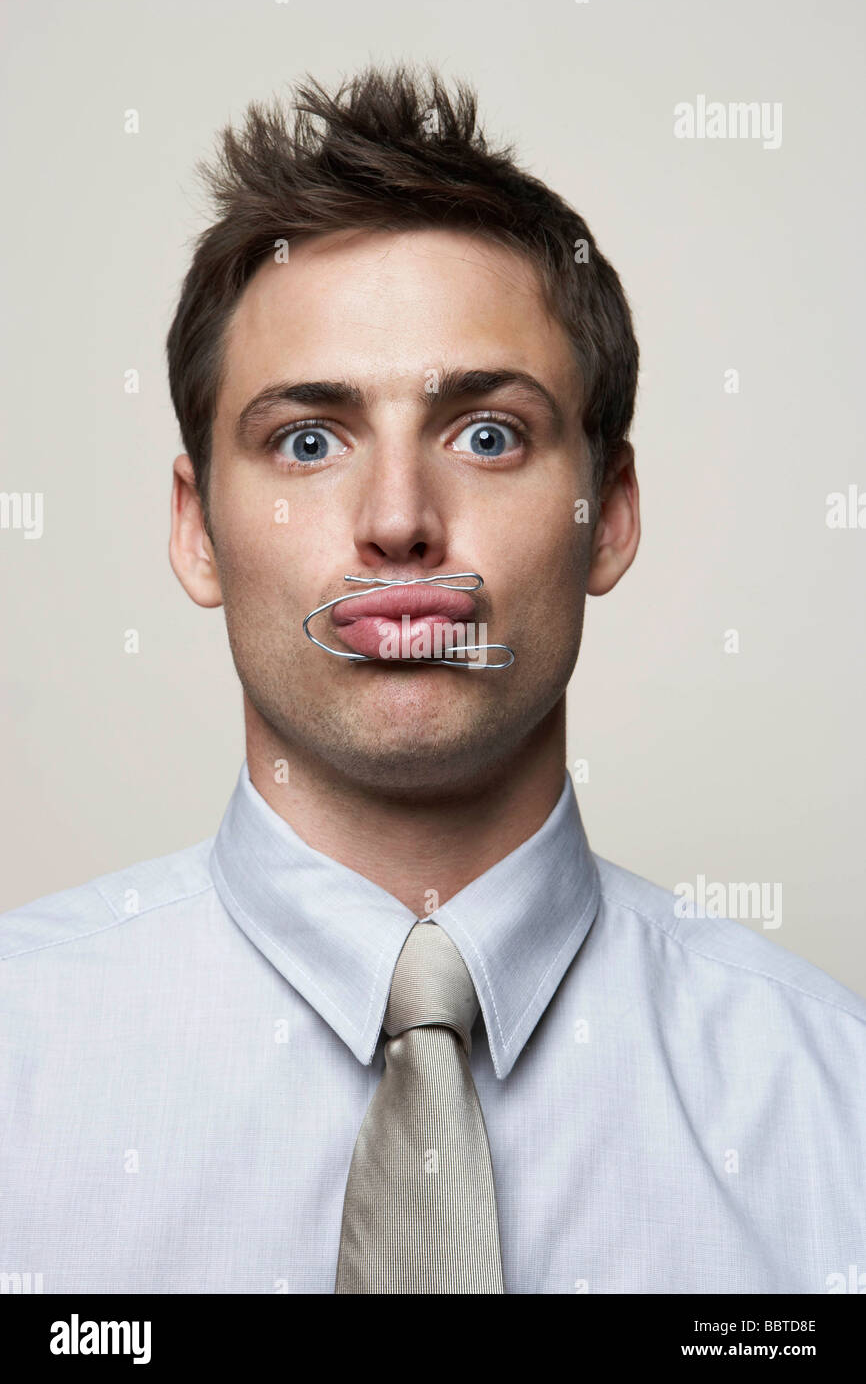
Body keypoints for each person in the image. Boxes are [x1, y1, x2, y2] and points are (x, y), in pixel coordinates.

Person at [1, 63, 863, 1296]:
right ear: (195, 531)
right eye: (308, 439)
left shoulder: (834, 1111)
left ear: (609, 513)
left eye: (486, 434)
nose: (399, 521)